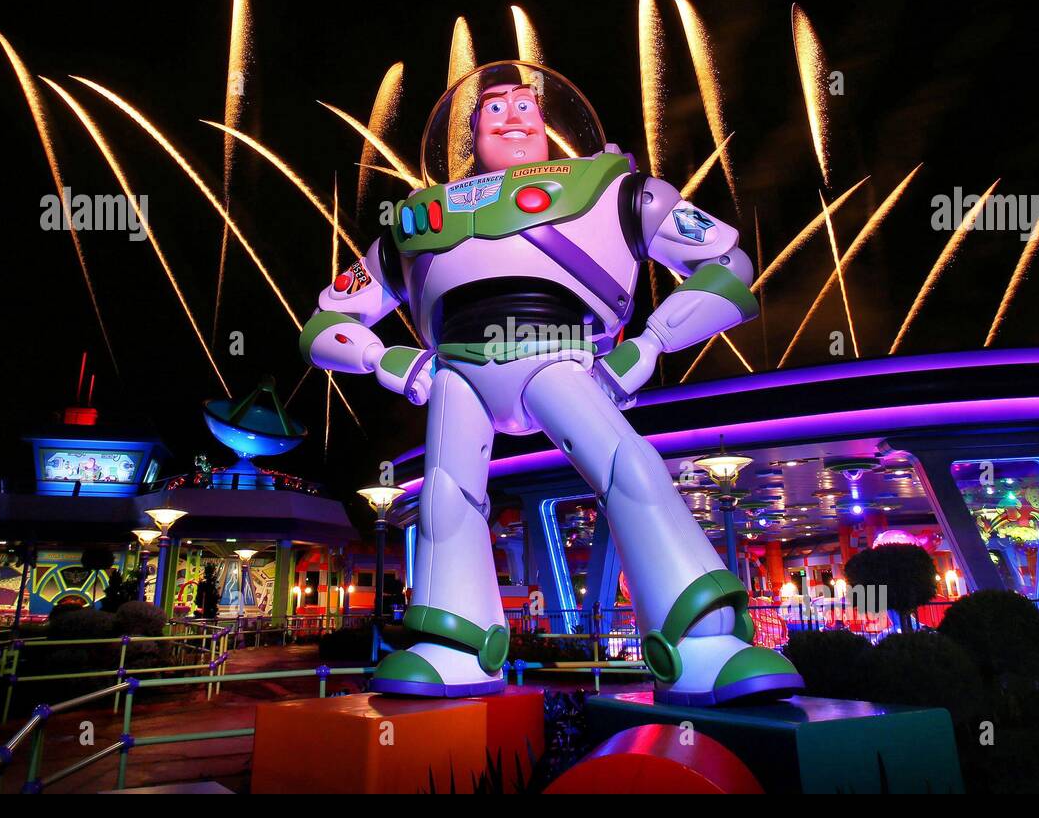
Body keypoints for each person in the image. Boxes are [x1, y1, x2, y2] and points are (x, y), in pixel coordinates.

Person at [301, 62, 802, 705]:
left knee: (632, 470)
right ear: (470, 129)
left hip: (561, 356)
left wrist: (649, 346)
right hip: (456, 369)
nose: (513, 114)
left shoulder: (613, 188)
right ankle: (455, 643)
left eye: (526, 104)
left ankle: (700, 638)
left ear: (548, 120)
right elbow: (326, 321)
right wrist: (385, 359)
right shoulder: (416, 221)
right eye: (493, 107)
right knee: (445, 501)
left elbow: (726, 266)